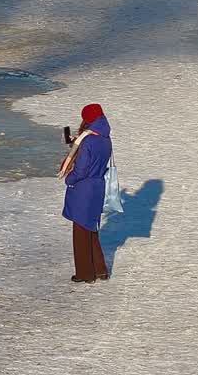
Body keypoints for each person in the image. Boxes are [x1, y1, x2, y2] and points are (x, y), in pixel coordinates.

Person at [60, 103, 112, 284]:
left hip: (84, 189)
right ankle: (100, 270)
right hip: (98, 186)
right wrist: (77, 143)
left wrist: (69, 179)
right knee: (91, 228)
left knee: (81, 232)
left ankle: (85, 274)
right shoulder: (105, 138)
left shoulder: (88, 140)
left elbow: (81, 169)